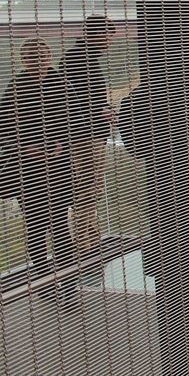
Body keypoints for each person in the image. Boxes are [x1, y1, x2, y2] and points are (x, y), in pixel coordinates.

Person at [0, 38, 73, 277]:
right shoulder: (16, 87)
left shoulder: (62, 84)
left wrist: (61, 145)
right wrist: (27, 147)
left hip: (57, 163)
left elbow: (76, 120)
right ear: (23, 60)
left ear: (50, 57)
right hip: (28, 167)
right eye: (32, 57)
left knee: (60, 224)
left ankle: (68, 282)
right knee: (35, 224)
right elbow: (7, 126)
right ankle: (43, 278)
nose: (38, 61)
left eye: (42, 56)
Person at [61, 14, 116, 256]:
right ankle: (82, 243)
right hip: (85, 137)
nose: (109, 43)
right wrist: (102, 111)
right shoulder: (79, 60)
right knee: (87, 188)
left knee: (88, 188)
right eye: (107, 37)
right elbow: (73, 102)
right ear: (96, 35)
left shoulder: (79, 59)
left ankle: (90, 239)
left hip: (87, 134)